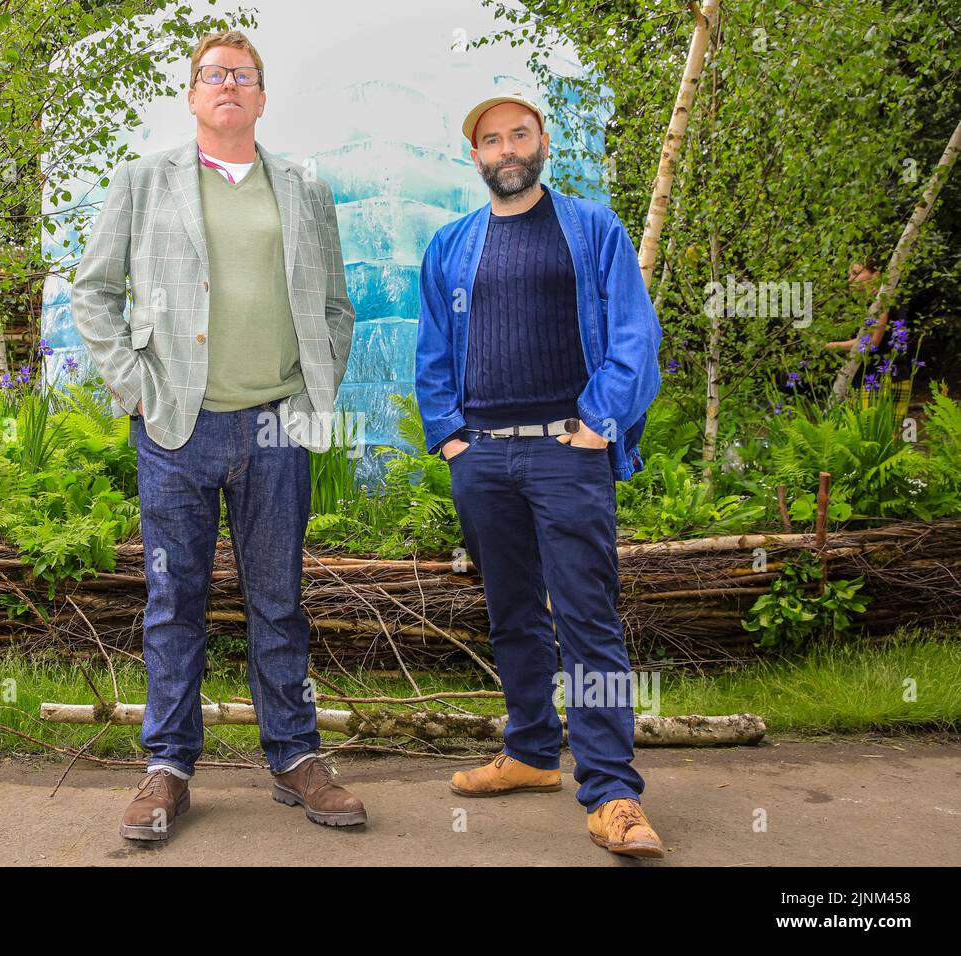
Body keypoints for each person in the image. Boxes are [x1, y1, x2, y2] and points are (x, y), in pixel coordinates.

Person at [72, 30, 361, 842]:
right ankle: (167, 767)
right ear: (193, 97)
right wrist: (134, 387)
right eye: (212, 76)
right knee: (175, 601)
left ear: (261, 98)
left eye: (242, 76)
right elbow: (93, 293)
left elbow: (334, 306)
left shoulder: (304, 187)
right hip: (178, 426)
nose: (227, 85)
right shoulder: (143, 180)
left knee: (280, 601)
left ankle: (295, 757)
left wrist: (318, 391)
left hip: (277, 425)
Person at [414, 92, 665, 858]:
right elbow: (432, 351)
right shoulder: (452, 244)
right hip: (483, 455)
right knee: (513, 612)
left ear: (542, 141)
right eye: (492, 140)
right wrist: (451, 438)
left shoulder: (591, 229)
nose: (507, 148)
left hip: (568, 452)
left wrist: (600, 422)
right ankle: (528, 753)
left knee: (589, 619)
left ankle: (613, 792)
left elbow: (634, 335)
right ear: (477, 156)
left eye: (519, 134)